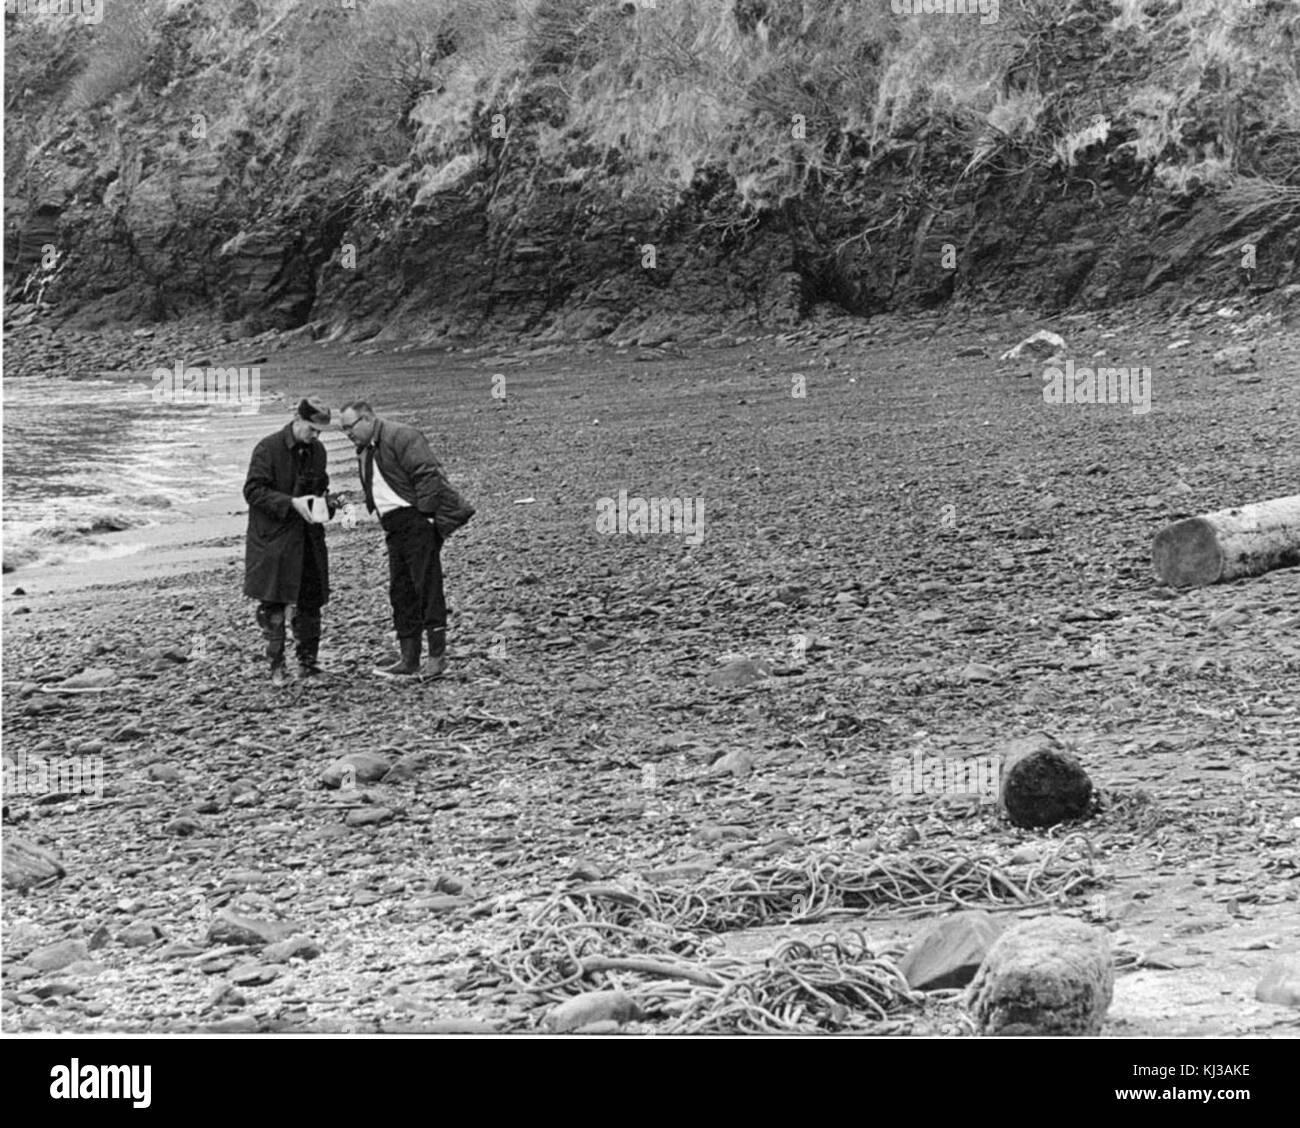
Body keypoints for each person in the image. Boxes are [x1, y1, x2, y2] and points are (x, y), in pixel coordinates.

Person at [337, 400, 474, 679]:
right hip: (393, 525)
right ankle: (409, 658)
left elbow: (427, 474)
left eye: (350, 427)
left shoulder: (402, 435)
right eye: (343, 430)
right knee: (401, 591)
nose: (347, 434)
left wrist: (425, 515)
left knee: (427, 586)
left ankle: (436, 658)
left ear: (367, 418)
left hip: (414, 519)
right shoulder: (365, 448)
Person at [243, 397, 336, 685]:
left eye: (319, 432)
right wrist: (290, 503)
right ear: (297, 420)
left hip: (308, 536)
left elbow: (322, 486)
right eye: (311, 429)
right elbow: (253, 491)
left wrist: (326, 505)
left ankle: (308, 664)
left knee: (310, 601)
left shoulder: (318, 451)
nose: (315, 436)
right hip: (273, 539)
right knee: (272, 604)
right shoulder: (267, 448)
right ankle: (276, 666)